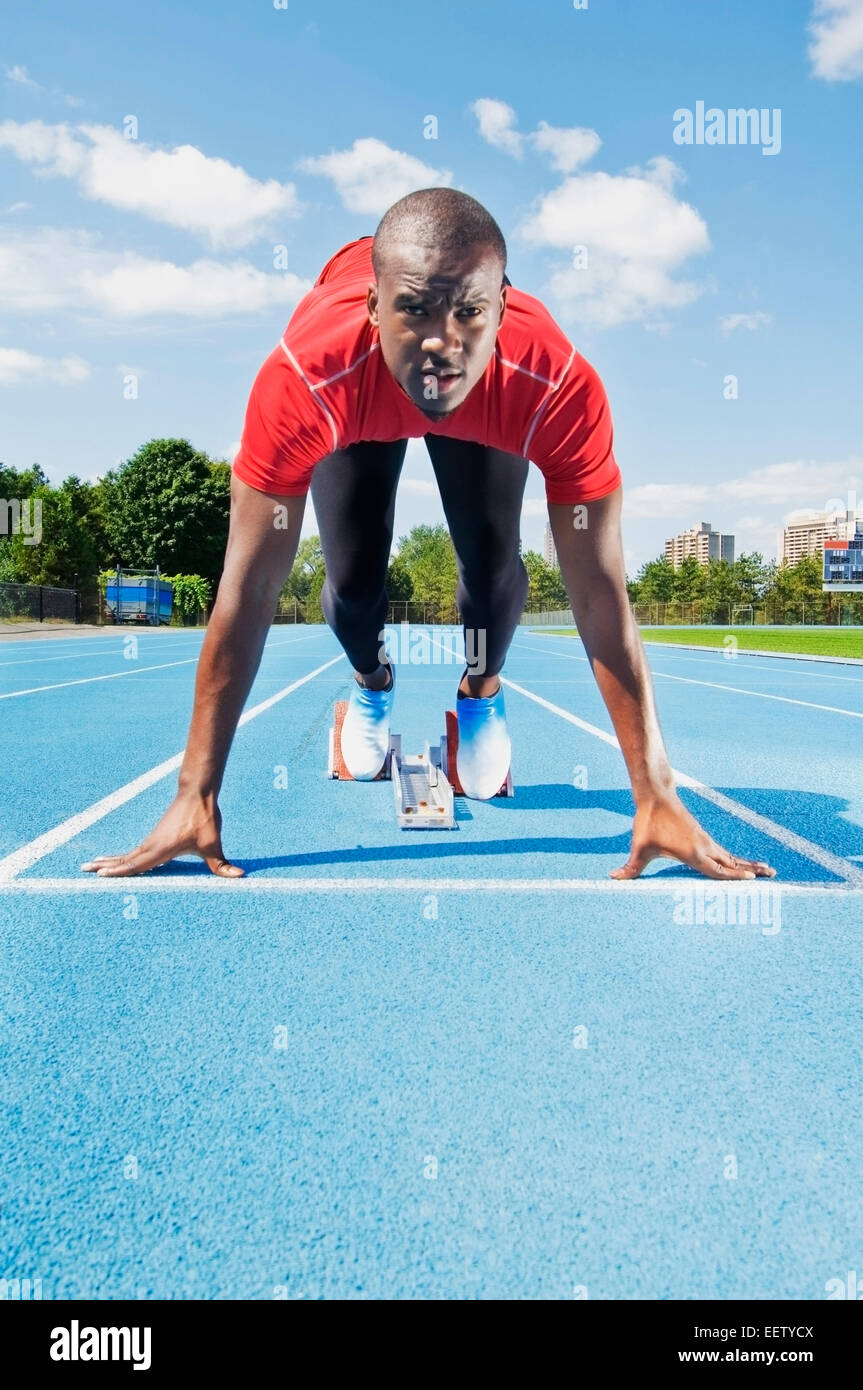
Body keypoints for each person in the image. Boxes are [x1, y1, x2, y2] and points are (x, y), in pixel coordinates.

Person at [83, 188, 775, 882]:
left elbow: (598, 593)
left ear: (503, 310)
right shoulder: (304, 380)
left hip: (491, 392)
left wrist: (655, 794)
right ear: (372, 307)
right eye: (413, 309)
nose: (442, 346)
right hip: (354, 383)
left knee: (489, 562)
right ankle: (370, 680)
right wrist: (193, 793)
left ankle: (481, 685)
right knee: (353, 583)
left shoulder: (555, 385)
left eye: (469, 313)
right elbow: (249, 586)